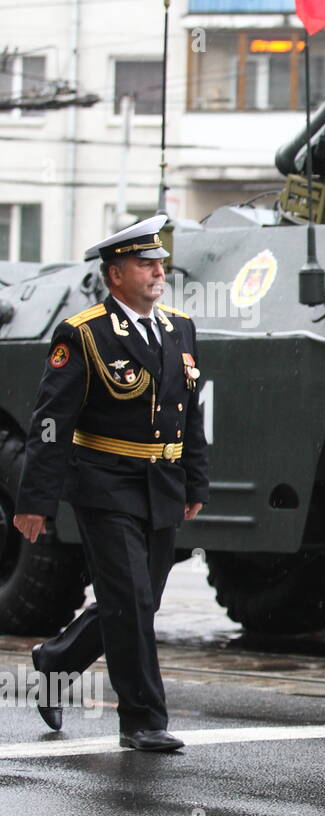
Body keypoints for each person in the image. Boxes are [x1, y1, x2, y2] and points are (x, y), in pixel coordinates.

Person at [13, 215, 208, 751]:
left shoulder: (180, 328)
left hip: (162, 485)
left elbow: (189, 415)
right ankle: (143, 719)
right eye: (145, 264)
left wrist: (195, 482)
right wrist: (36, 500)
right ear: (115, 274)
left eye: (160, 263)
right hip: (105, 484)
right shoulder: (83, 334)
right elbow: (51, 423)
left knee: (138, 602)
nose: (158, 272)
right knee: (129, 598)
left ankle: (56, 660)